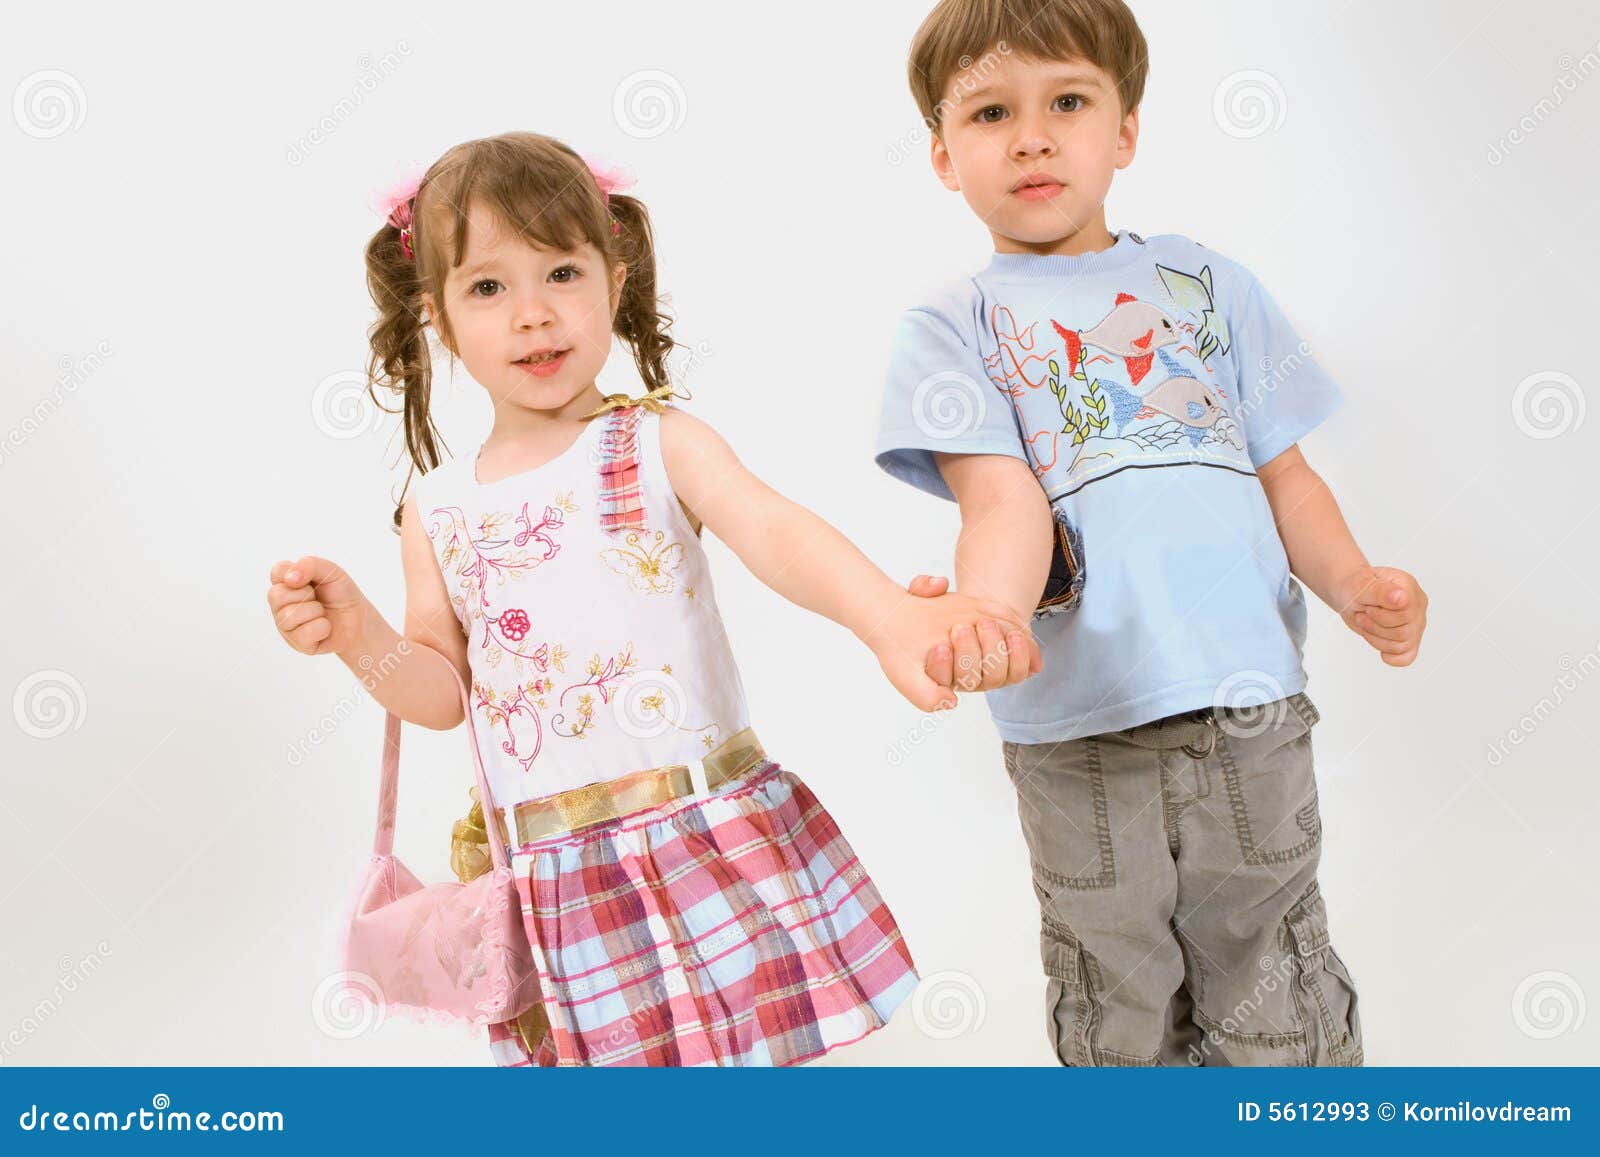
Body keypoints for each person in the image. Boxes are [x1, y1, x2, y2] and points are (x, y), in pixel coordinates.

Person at [266, 130, 1042, 1066]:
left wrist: (889, 617)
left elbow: (775, 531)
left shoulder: (655, 442)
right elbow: (439, 694)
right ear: (437, 316)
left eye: (562, 273)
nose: (532, 315)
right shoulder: (437, 507)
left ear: (615, 278)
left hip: (701, 831)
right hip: (559, 882)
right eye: (488, 287)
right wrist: (359, 636)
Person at [874, 0, 1428, 1065]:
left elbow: (1284, 474)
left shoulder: (1206, 284)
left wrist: (1354, 580)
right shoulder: (953, 326)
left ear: (1123, 129)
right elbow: (1001, 501)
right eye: (990, 113)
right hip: (1078, 736)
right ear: (942, 154)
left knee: (1273, 979)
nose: (1032, 139)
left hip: (1247, 707)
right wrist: (987, 612)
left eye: (1067, 102)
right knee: (1115, 991)